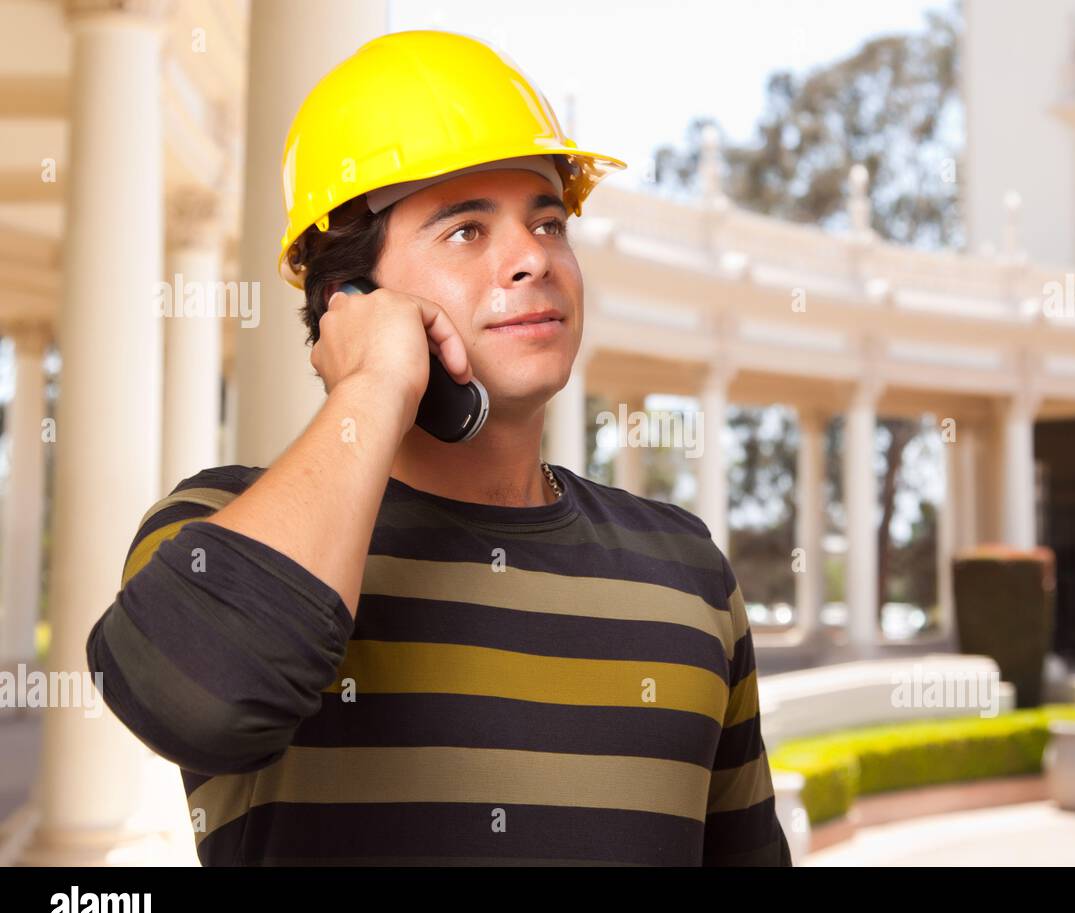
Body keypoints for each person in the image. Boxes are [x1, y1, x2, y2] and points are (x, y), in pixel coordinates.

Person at [86, 30, 791, 867]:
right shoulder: (218, 528)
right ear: (349, 296)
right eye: (466, 230)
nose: (533, 257)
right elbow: (195, 703)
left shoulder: (686, 568)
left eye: (549, 221)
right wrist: (374, 386)